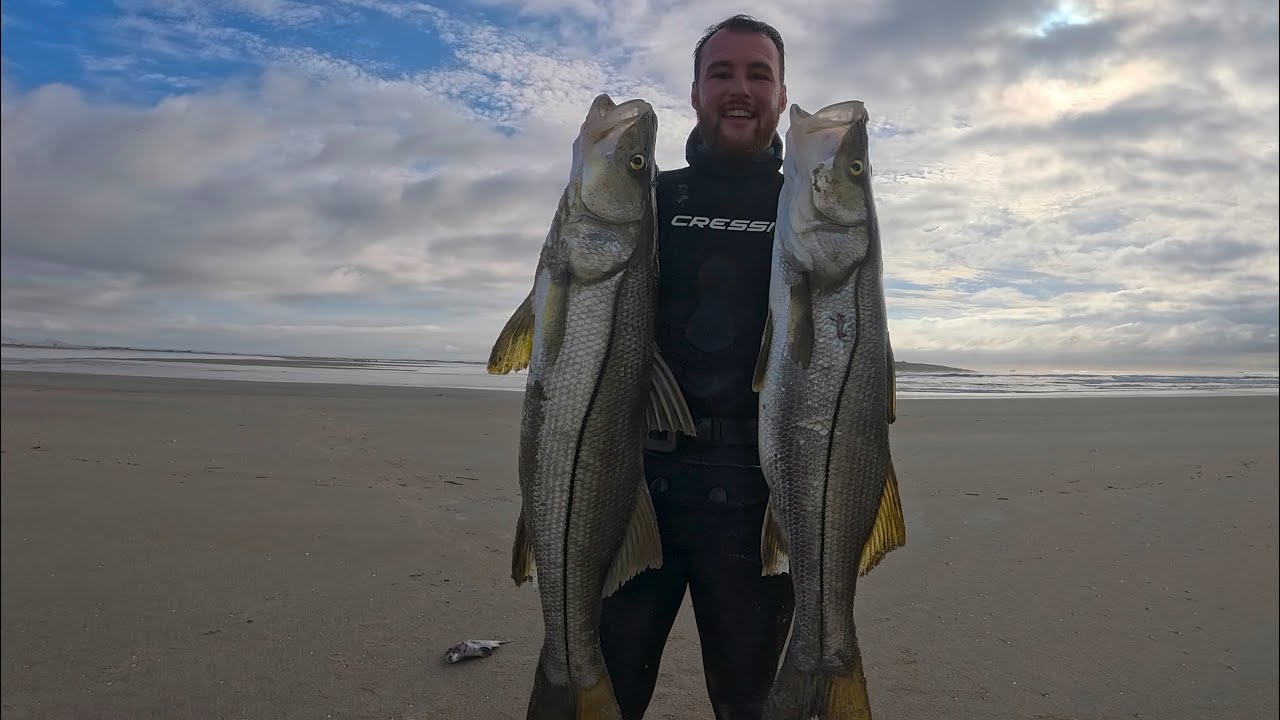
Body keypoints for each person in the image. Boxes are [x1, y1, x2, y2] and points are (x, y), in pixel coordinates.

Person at [599, 14, 793, 720]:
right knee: (597, 694)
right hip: (632, 487)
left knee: (750, 705)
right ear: (694, 91)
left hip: (759, 499)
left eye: (757, 74)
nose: (739, 89)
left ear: (779, 93)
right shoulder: (649, 200)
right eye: (722, 73)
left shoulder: (806, 210)